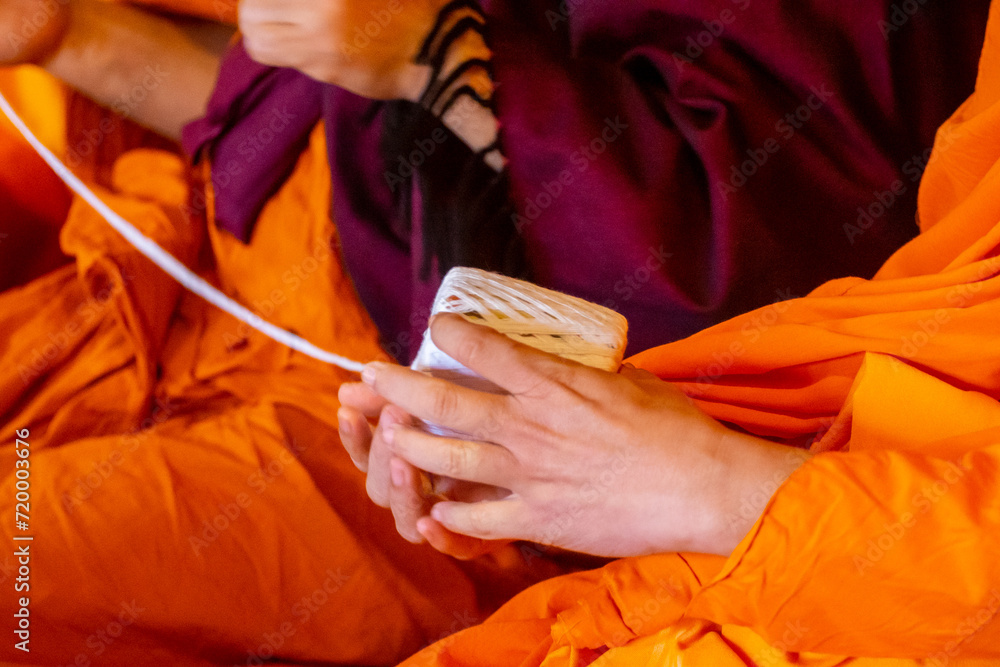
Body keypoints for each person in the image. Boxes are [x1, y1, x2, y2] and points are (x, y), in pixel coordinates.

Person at [0, 1, 993, 665]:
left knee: (22, 564)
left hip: (477, 469)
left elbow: (747, 253)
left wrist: (434, 54)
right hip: (265, 296)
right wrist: (69, 37)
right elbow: (292, 105)